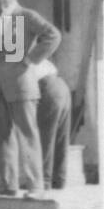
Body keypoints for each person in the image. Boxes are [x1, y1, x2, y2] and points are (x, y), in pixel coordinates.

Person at [0, 0, 61, 198]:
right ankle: (7, 187)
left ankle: (36, 187)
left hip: (22, 85)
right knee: (2, 138)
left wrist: (30, 59)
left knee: (27, 135)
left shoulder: (27, 16)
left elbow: (53, 35)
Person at [36, 58, 71, 191]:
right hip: (62, 86)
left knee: (45, 137)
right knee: (61, 137)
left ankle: (43, 181)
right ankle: (59, 180)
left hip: (47, 88)